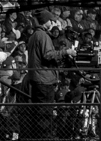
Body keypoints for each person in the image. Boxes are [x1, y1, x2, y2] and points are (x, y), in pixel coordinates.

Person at [26, 10, 74, 139]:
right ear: (44, 21)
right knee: (44, 113)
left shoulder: (35, 35)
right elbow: (48, 55)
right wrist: (65, 51)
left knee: (40, 112)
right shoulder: (42, 35)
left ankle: (40, 137)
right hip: (44, 80)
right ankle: (44, 138)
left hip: (38, 78)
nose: (52, 22)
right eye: (50, 20)